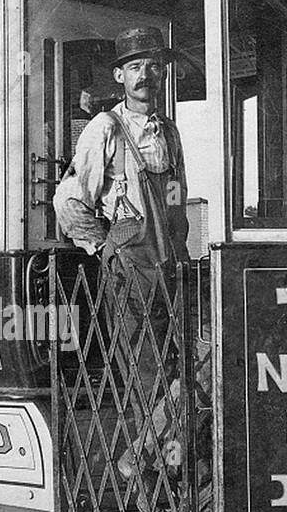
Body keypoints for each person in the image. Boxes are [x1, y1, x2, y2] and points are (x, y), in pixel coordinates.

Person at [53, 26, 193, 479]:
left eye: (153, 66)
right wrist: (106, 247)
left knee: (181, 365)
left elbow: (175, 200)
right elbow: (68, 201)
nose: (145, 75)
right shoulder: (106, 128)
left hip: (169, 262)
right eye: (135, 67)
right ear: (119, 76)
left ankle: (164, 464)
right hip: (129, 268)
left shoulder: (168, 132)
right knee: (144, 371)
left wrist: (178, 248)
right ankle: (148, 476)